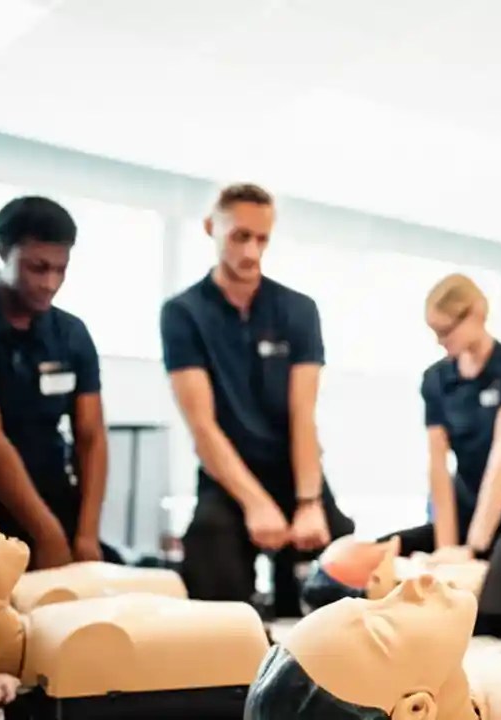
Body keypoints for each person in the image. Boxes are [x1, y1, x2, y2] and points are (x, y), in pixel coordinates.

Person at [160, 183, 354, 618]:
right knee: (212, 575)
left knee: (341, 569)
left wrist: (307, 503)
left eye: (262, 239)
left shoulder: (298, 310)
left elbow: (303, 414)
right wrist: (255, 503)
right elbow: (203, 427)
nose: (251, 251)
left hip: (294, 474)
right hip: (228, 479)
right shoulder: (183, 313)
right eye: (239, 237)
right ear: (212, 228)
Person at [375, 273, 501, 638]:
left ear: (477, 314)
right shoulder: (435, 379)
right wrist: (447, 550)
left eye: (447, 330)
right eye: (434, 332)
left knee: (496, 614)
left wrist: (473, 549)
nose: (440, 342)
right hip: (467, 516)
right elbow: (438, 468)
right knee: (375, 558)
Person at [0, 196, 111, 570]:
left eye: (61, 269)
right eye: (37, 268)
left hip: (53, 497)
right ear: (2, 252)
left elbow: (91, 437)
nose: (50, 283)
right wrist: (47, 536)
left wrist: (86, 535)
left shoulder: (71, 333)